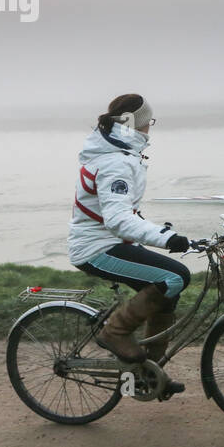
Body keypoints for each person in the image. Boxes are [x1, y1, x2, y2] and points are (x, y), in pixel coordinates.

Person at [68, 94, 190, 390]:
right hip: (96, 248)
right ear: (137, 125)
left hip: (113, 241)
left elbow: (123, 212)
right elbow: (118, 218)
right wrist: (167, 238)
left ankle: (149, 373)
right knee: (176, 276)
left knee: (168, 292)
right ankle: (115, 333)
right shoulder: (115, 164)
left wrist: (160, 231)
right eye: (149, 122)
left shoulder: (121, 156)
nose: (151, 128)